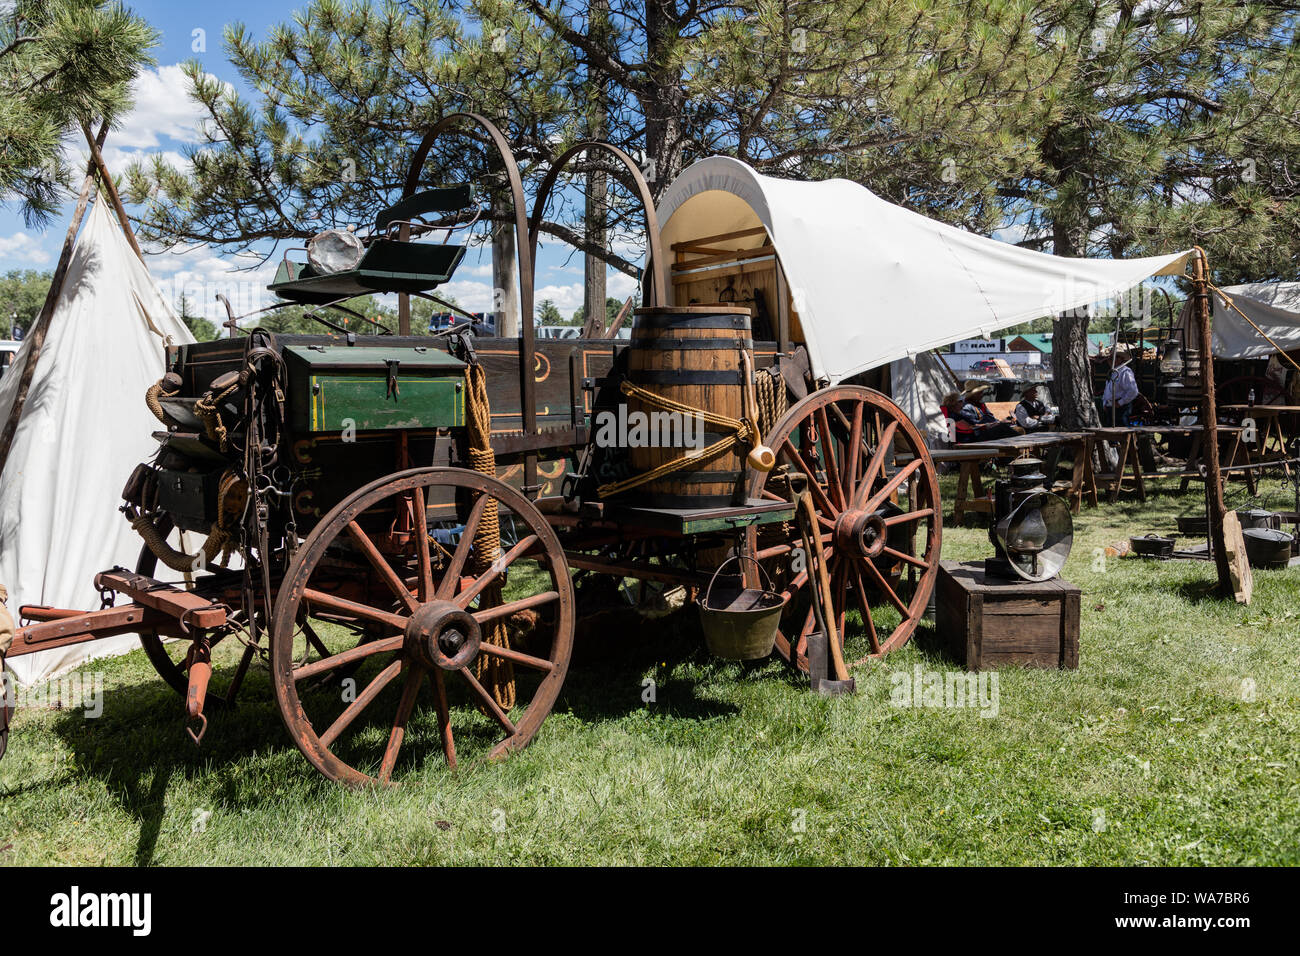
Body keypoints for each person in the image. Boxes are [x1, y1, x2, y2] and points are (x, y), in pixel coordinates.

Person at [955, 384, 1023, 441]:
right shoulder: (966, 407)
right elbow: (974, 425)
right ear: (972, 395)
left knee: (1015, 428)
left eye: (981, 392)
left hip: (986, 430)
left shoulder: (980, 405)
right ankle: (1022, 443)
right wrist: (994, 424)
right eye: (979, 393)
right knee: (1002, 428)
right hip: (976, 436)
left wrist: (1001, 421)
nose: (982, 395)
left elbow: (990, 417)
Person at [1101, 348, 1140, 425]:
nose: (1109, 361)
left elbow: (1133, 391)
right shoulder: (1113, 372)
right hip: (1110, 408)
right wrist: (1105, 403)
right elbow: (1107, 390)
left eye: (1112, 358)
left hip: (1121, 409)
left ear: (1120, 359)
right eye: (1109, 358)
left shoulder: (1125, 372)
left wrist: (1120, 403)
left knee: (1121, 431)